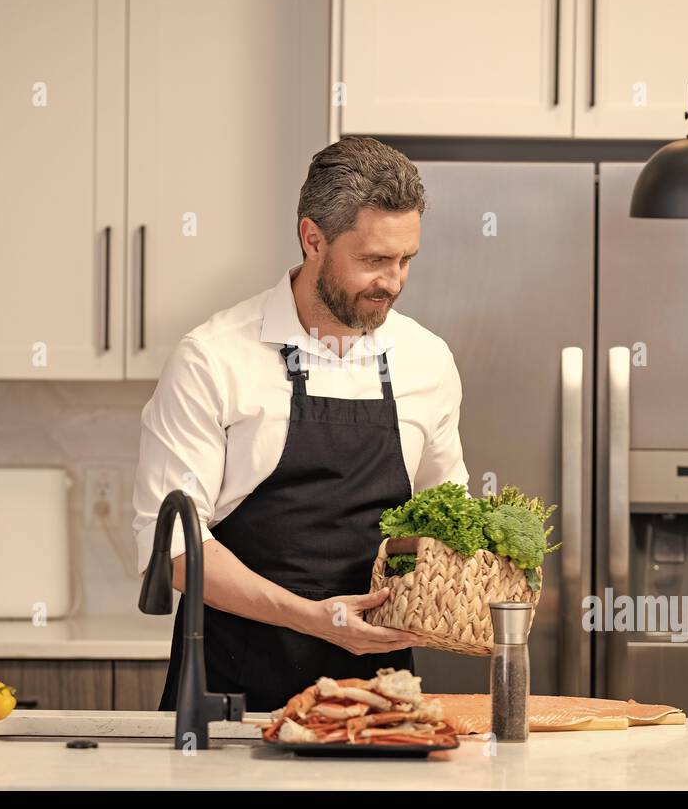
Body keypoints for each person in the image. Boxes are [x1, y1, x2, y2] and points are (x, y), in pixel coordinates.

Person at [132, 136, 469, 712]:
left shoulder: (426, 359)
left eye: (405, 259)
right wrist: (315, 618)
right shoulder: (214, 357)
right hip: (234, 694)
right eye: (373, 261)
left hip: (377, 698)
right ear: (313, 239)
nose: (393, 281)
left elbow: (446, 513)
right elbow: (173, 549)